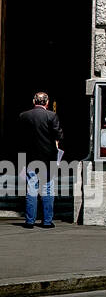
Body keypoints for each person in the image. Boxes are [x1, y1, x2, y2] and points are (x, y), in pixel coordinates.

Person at [16, 92, 62, 229]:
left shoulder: (23, 116)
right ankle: (47, 221)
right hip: (48, 158)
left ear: (33, 101)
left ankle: (30, 221)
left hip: (29, 157)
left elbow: (18, 137)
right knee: (47, 188)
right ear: (47, 102)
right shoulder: (51, 115)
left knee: (31, 188)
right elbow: (58, 134)